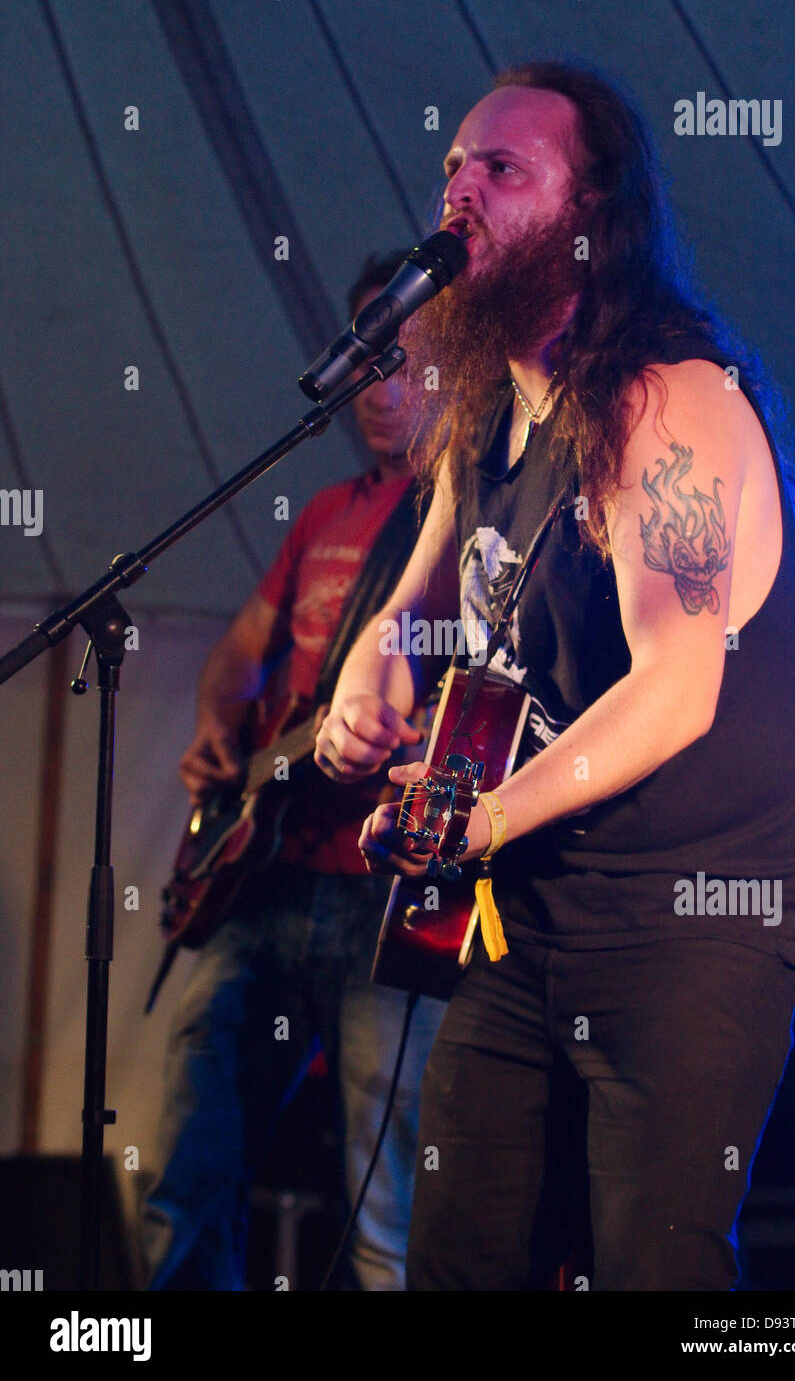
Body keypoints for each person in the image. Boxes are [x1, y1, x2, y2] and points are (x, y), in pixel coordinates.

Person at [314, 61, 795, 1291]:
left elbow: (677, 685)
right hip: (533, 894)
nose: (460, 189)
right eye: (453, 164)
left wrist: (478, 815)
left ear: (589, 215)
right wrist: (367, 672)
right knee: (461, 1254)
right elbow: (418, 595)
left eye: (502, 168)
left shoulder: (666, 399)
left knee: (651, 1269)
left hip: (700, 906)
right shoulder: (481, 411)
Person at [141, 250, 444, 1291]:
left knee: (384, 1208)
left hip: (379, 896)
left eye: (399, 358)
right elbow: (239, 651)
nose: (376, 381)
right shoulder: (322, 513)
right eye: (364, 355)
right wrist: (220, 727)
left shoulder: (470, 518)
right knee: (188, 1166)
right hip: (261, 876)